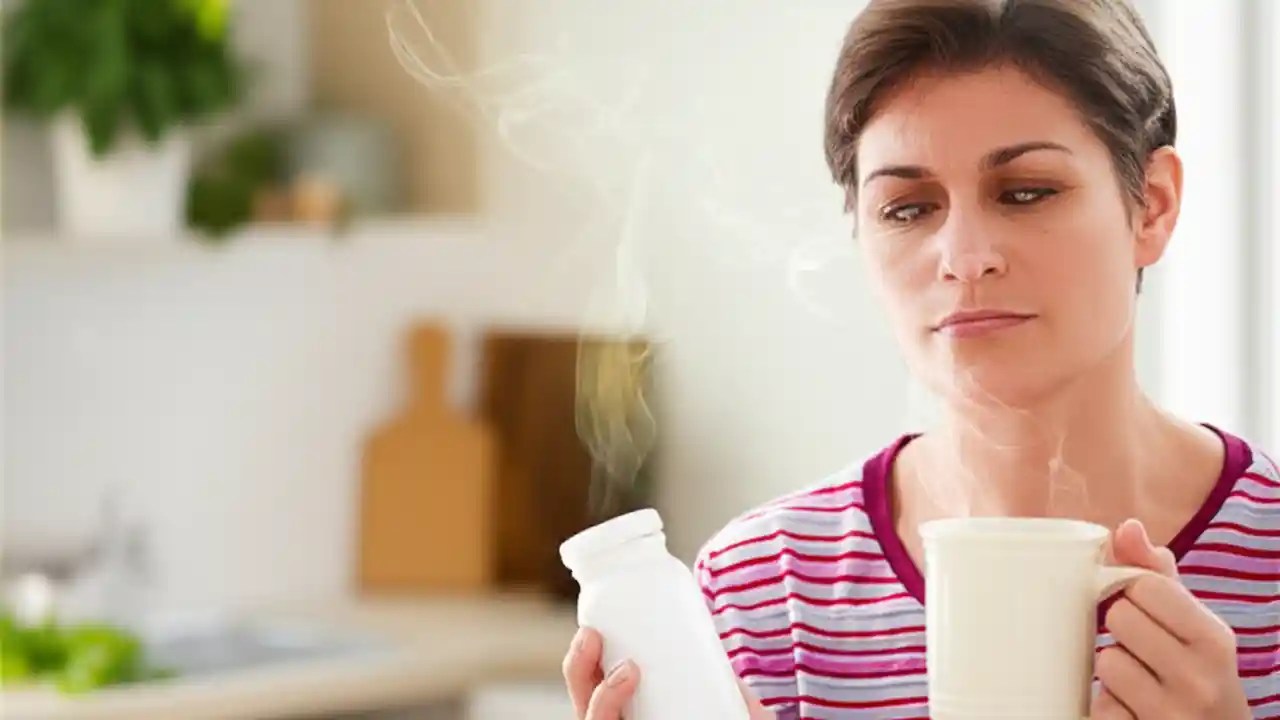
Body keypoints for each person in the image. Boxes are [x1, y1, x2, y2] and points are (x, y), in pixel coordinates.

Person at [563, 0, 1280, 717]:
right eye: (907, 208)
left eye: (1026, 192)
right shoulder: (765, 589)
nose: (965, 259)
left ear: (1152, 206)